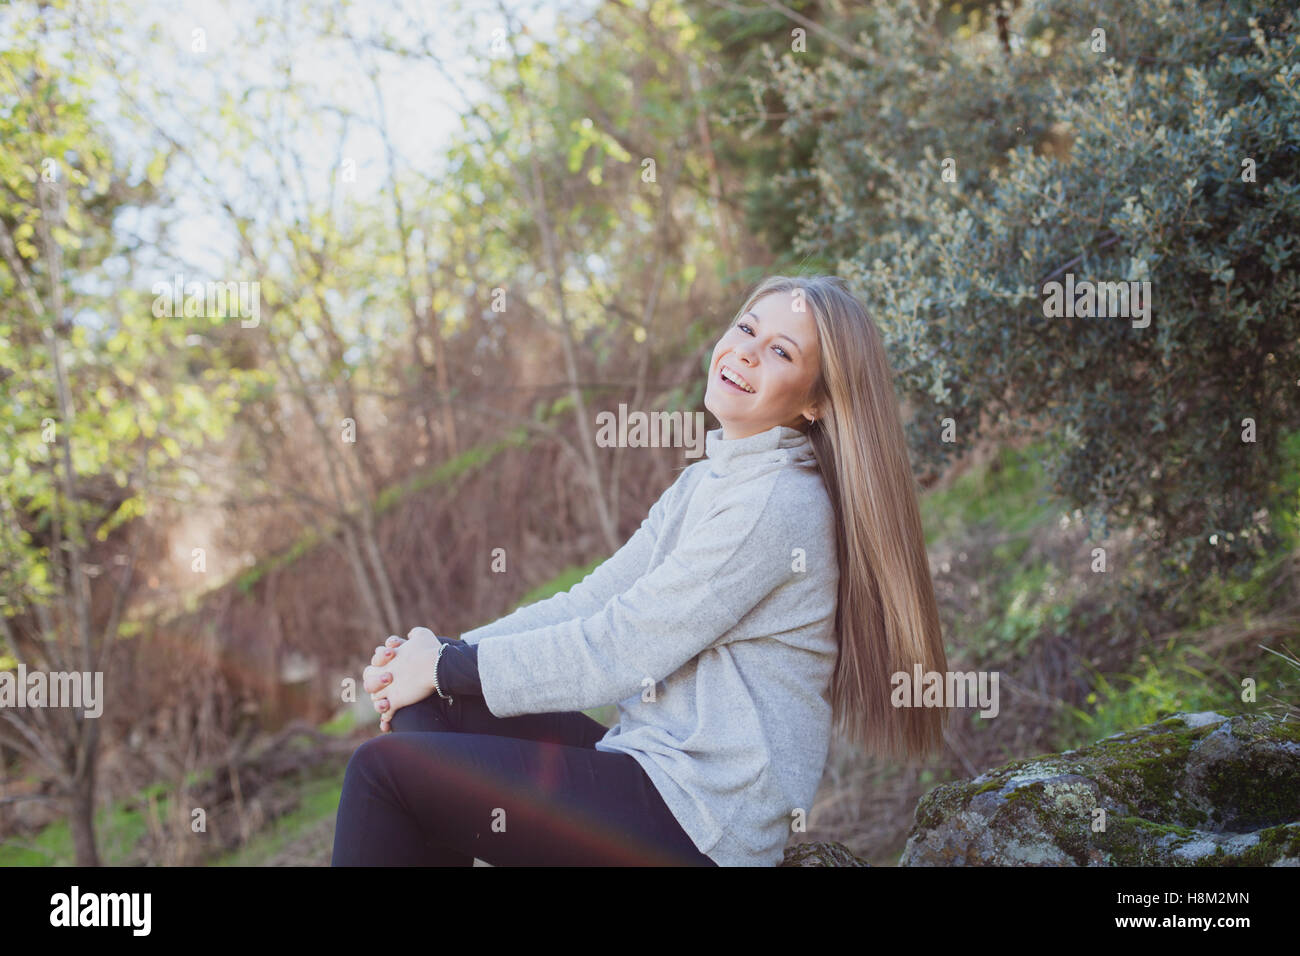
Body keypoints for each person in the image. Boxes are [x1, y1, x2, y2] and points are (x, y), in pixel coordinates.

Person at [330, 274, 948, 867]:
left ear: (817, 402)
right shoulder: (708, 480)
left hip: (700, 825)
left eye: (780, 351)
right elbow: (592, 599)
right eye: (745, 328)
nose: (745, 353)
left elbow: (622, 647)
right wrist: (439, 659)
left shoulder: (777, 503)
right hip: (651, 768)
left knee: (382, 772)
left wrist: (441, 665)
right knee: (432, 713)